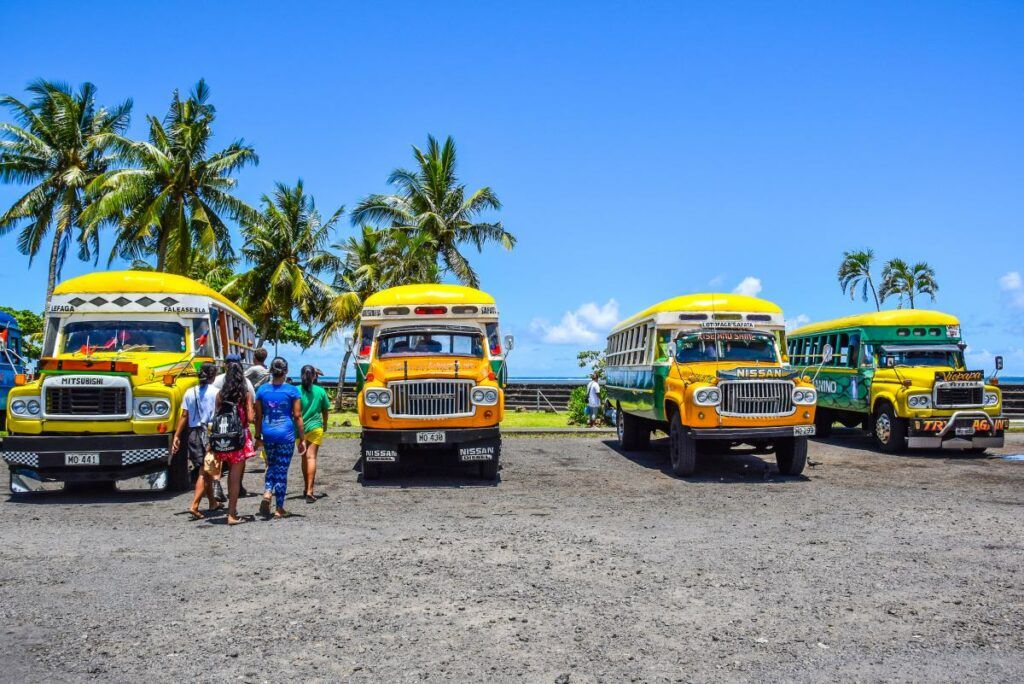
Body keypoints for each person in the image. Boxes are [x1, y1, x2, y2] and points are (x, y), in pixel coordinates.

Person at [254, 357, 306, 518]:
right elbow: (297, 416)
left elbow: (258, 416)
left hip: (268, 433)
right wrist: (302, 439)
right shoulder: (292, 391)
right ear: (286, 371)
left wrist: (257, 435)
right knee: (282, 470)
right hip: (286, 435)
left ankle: (268, 492)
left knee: (271, 465)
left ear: (271, 370)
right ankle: (279, 508)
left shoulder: (262, 390)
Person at [172, 362, 222, 520]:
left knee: (204, 468)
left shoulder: (189, 392)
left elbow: (184, 416)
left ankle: (213, 503)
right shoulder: (216, 393)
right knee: (204, 471)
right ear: (213, 376)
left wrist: (177, 436)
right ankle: (194, 505)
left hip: (193, 433)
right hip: (209, 432)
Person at [214, 359, 256, 525]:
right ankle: (231, 513)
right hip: (239, 438)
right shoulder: (245, 394)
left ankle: (231, 509)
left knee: (229, 472)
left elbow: (216, 416)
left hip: (223, 438)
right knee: (235, 476)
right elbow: (251, 418)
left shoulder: (220, 395)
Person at [298, 364, 331, 503]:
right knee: (312, 458)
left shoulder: (295, 391)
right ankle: (310, 490)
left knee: (304, 459)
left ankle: (306, 487)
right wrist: (325, 424)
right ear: (314, 376)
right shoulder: (320, 391)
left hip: (299, 429)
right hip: (316, 427)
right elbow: (325, 410)